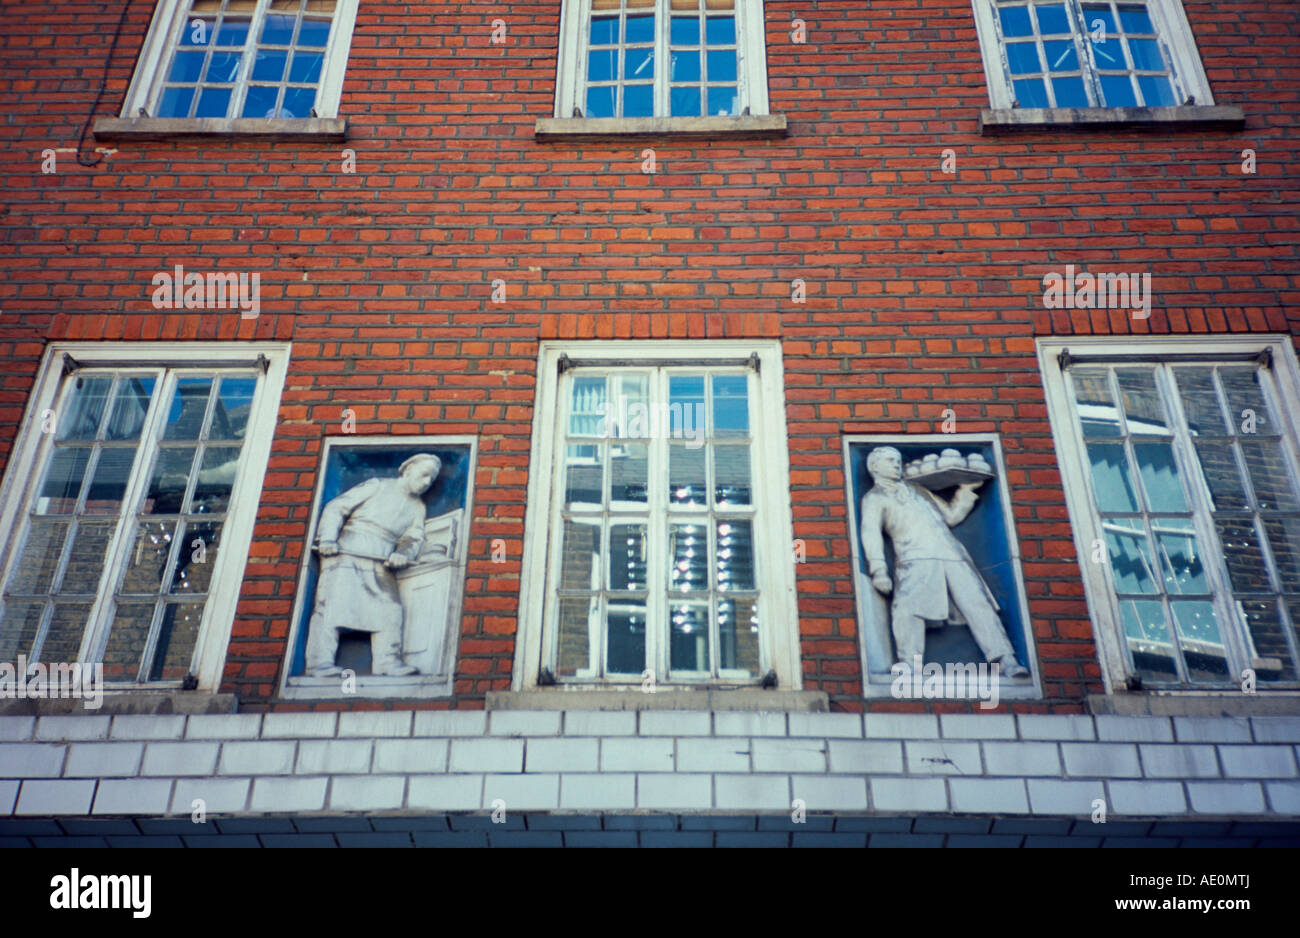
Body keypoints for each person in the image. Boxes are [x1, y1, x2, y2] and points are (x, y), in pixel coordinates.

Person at [859, 446, 1028, 678]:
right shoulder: (874, 498)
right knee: (907, 609)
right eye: (890, 460)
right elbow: (870, 533)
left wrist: (966, 491)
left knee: (978, 605)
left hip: (951, 553)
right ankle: (909, 662)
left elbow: (950, 516)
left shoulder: (918, 490)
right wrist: (879, 570)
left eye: (898, 460)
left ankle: (1005, 660)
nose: (897, 464)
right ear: (874, 466)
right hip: (914, 557)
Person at [305, 454, 441, 677]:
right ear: (408, 470)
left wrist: (402, 553)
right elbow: (336, 507)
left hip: (381, 561)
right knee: (331, 606)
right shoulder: (378, 486)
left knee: (391, 609)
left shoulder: (418, 508)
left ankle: (388, 662)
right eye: (424, 475)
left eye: (432, 480)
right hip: (347, 552)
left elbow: (413, 538)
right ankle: (319, 663)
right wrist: (328, 539)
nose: (427, 482)